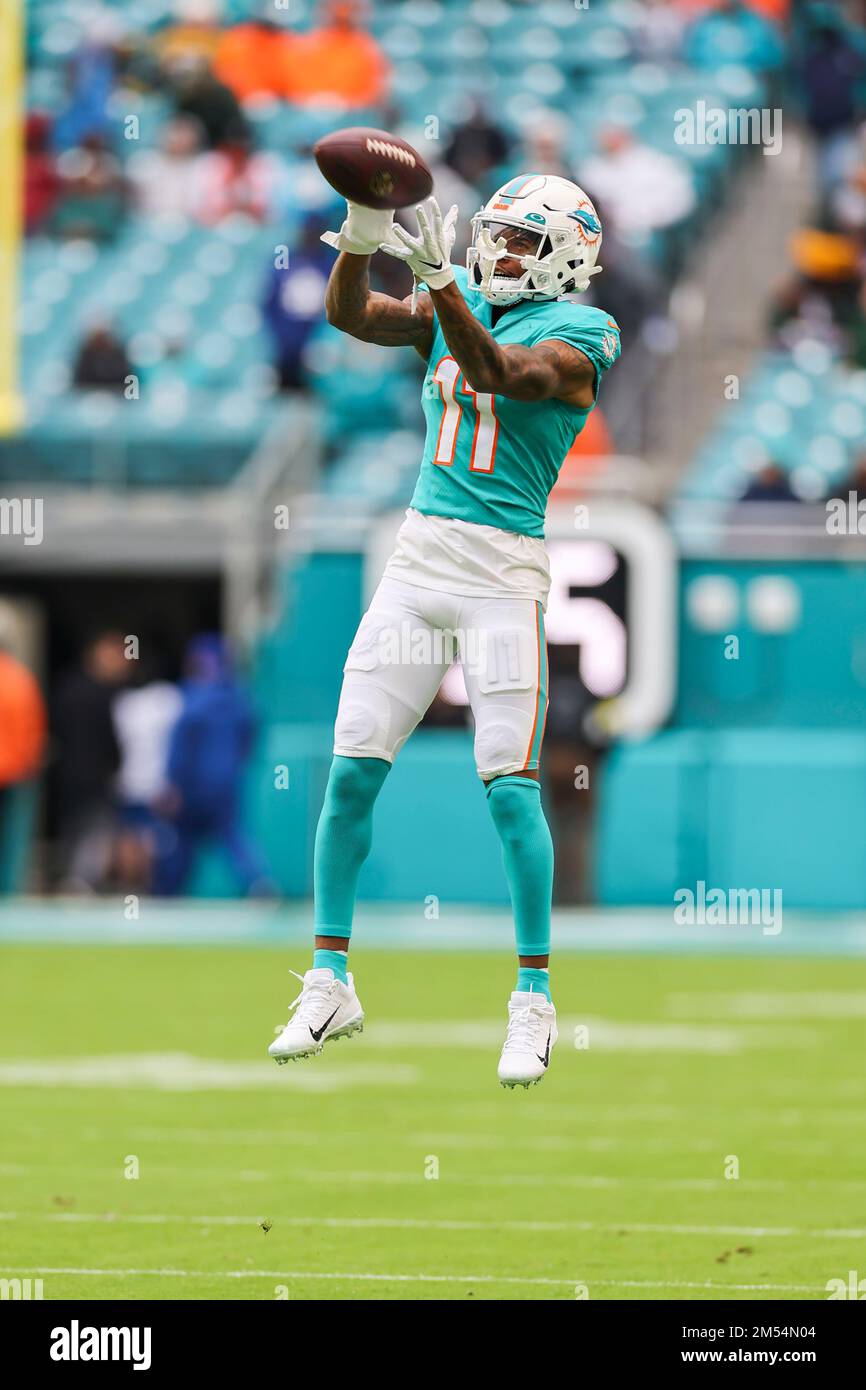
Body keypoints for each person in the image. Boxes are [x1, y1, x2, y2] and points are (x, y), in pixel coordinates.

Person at [267, 173, 621, 1089]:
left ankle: (534, 999)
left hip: (501, 575)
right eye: (492, 237)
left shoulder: (583, 335)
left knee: (508, 789)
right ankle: (330, 977)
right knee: (350, 771)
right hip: (418, 561)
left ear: (569, 258)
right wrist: (362, 230)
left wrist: (440, 284)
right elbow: (350, 315)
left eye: (519, 244)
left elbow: (502, 374)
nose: (497, 254)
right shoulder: (449, 307)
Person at [153, 634, 270, 896]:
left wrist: (172, 783)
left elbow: (180, 748)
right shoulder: (240, 701)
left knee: (181, 839)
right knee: (232, 836)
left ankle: (168, 893)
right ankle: (257, 883)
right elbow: (250, 741)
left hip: (193, 786)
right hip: (227, 782)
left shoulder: (191, 701)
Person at [52, 631, 128, 892]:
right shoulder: (99, 694)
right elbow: (112, 739)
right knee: (92, 828)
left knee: (78, 826)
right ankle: (80, 880)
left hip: (70, 772)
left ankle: (75, 878)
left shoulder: (68, 687)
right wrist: (116, 764)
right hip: (92, 775)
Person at [261, 214, 332, 390]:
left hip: (316, 340)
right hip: (285, 342)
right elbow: (270, 297)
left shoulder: (328, 262)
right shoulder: (285, 258)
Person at [0, 620, 47, 873]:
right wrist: (29, 763)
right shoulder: (20, 679)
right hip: (12, 772)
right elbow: (32, 730)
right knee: (9, 838)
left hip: (11, 770)